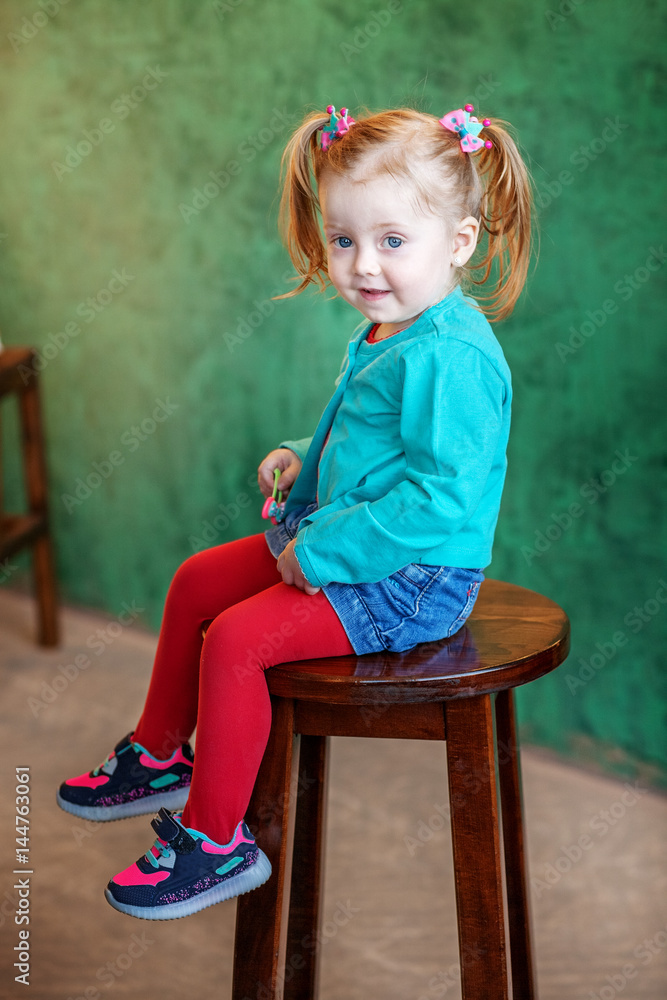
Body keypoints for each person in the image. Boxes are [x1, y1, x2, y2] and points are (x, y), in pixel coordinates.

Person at [57, 101, 533, 920]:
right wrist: (301, 459)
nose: (362, 265)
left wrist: (318, 555)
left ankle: (215, 843)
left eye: (392, 241)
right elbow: (371, 445)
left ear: (458, 242)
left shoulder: (452, 356)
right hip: (357, 537)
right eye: (343, 240)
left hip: (413, 578)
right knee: (197, 581)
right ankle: (158, 755)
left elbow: (438, 498)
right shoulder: (395, 326)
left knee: (237, 641)